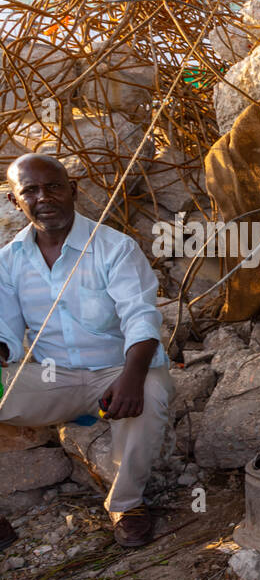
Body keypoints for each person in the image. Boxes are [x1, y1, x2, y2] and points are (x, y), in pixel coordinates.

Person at [0, 154, 174, 548]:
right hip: (52, 378)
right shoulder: (9, 261)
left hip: (118, 373)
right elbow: (7, 336)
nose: (44, 197)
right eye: (30, 190)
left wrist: (131, 379)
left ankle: (127, 505)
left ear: (73, 190)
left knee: (152, 391)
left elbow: (141, 320)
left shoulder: (115, 248)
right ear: (15, 201)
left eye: (54, 186)